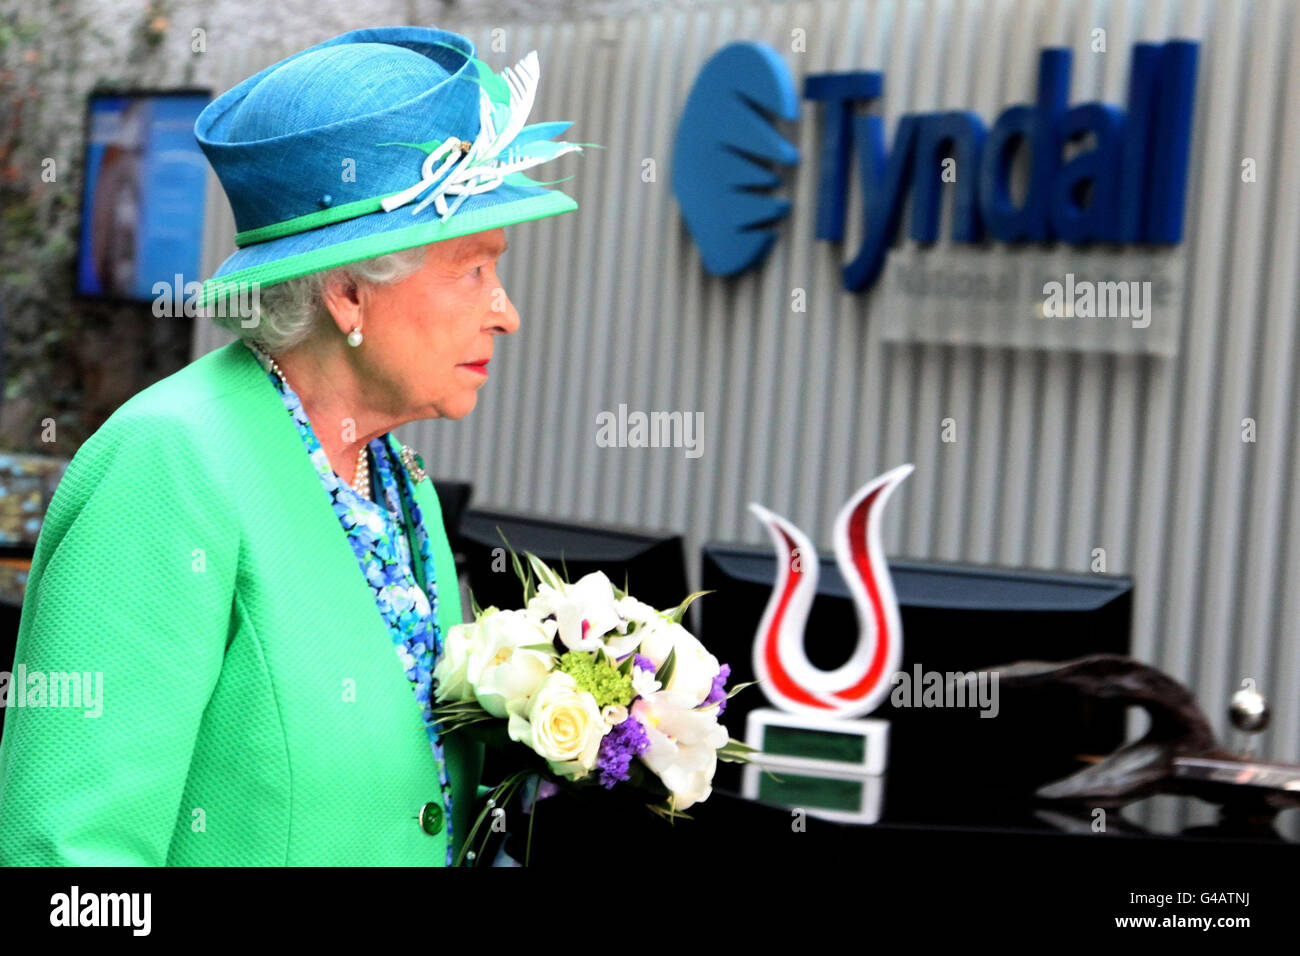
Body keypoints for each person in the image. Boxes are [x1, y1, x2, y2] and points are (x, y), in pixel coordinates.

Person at [0, 25, 589, 866]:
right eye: (472, 270)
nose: (506, 310)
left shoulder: (400, 478)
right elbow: (66, 854)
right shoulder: (170, 464)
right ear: (350, 293)